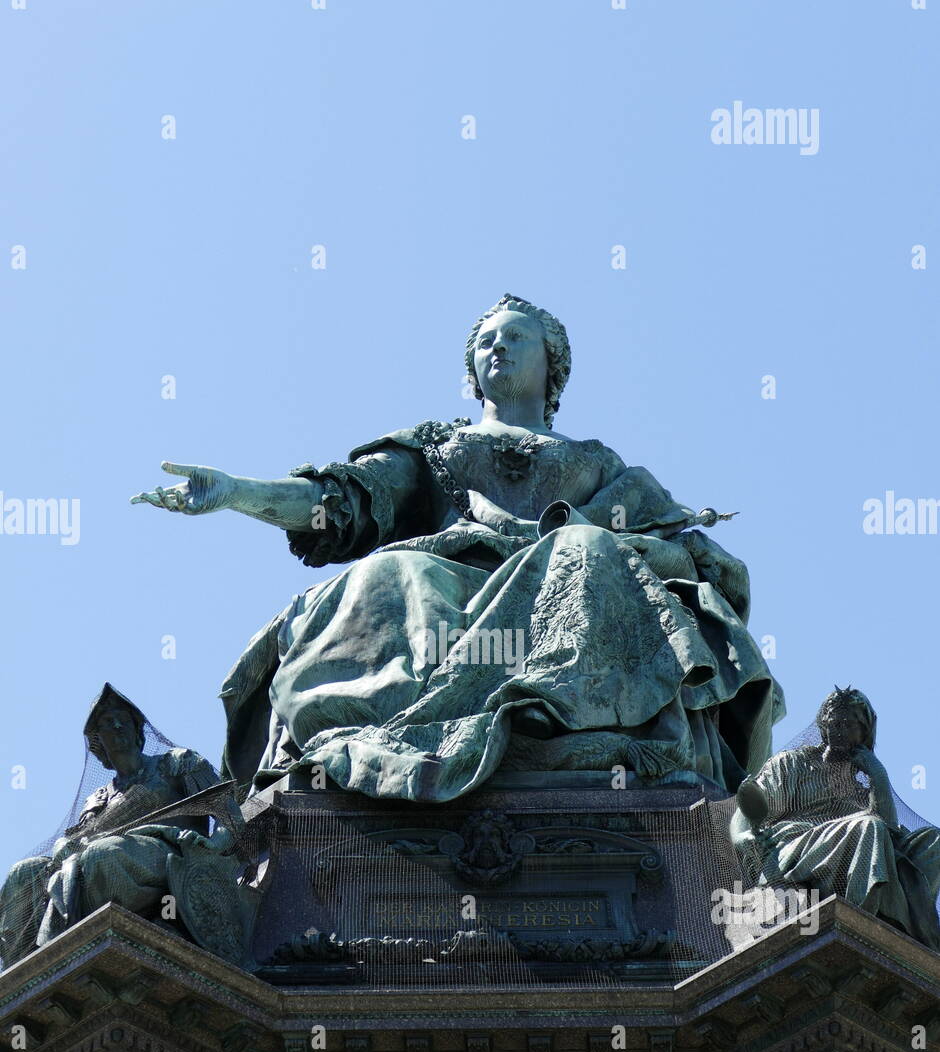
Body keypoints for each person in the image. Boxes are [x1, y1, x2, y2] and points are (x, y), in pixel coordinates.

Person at [132, 294, 784, 802]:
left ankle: (542, 712)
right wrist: (236, 492)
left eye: (515, 337)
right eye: (486, 340)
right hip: (450, 571)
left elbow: (668, 541)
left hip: (563, 574)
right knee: (389, 574)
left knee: (585, 550)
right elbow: (344, 499)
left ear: (552, 364)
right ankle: (412, 732)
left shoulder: (599, 463)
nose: (497, 346)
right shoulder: (437, 447)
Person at [0, 685, 219, 964]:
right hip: (106, 856)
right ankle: (21, 971)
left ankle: (84, 949)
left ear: (137, 730)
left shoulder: (178, 762)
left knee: (100, 856)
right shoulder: (98, 798)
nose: (117, 726)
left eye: (123, 720)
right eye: (107, 722)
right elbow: (77, 837)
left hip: (172, 856)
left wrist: (215, 844)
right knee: (23, 873)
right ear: (98, 741)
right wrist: (63, 845)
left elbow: (228, 811)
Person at [731, 687, 940, 947]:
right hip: (796, 848)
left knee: (933, 841)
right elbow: (745, 809)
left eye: (851, 725)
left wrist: (878, 774)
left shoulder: (862, 790)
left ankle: (913, 934)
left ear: (864, 733)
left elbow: (890, 834)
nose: (841, 731)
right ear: (824, 724)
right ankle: (857, 923)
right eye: (835, 723)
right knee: (869, 826)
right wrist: (741, 837)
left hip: (854, 845)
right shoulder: (792, 763)